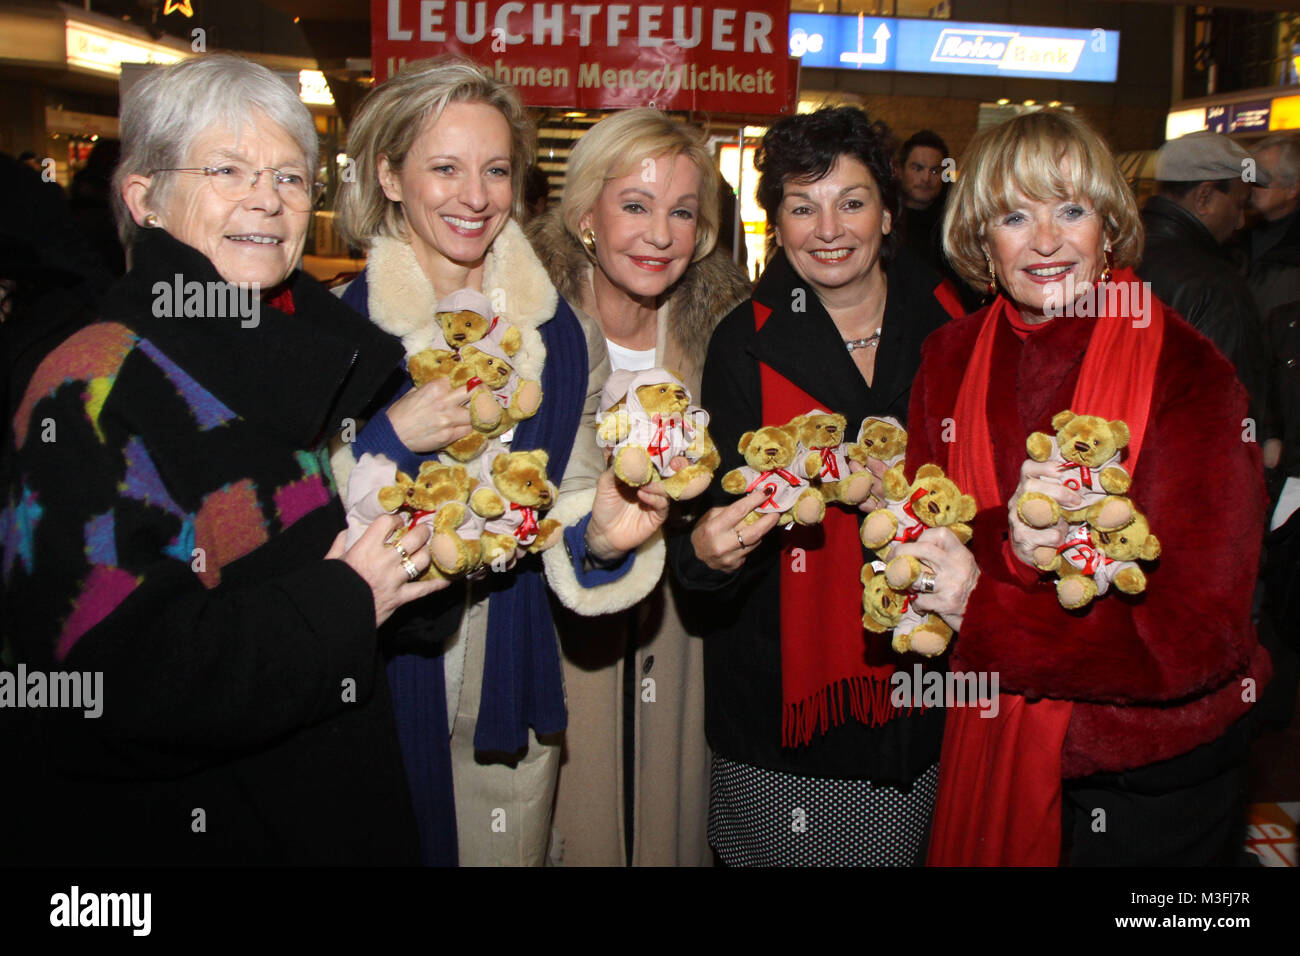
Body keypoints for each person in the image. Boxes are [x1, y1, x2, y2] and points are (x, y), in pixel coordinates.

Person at [0, 54, 441, 865]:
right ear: (145, 198)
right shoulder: (93, 385)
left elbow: (346, 580)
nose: (267, 199)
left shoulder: (319, 352)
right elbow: (105, 686)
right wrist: (351, 599)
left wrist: (427, 559)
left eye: (289, 176)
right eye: (228, 170)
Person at [903, 109, 1272, 865]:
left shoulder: (1187, 369)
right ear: (980, 238)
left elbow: (1202, 633)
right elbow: (921, 546)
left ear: (1107, 226)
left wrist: (989, 605)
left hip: (1151, 780)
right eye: (1015, 215)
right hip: (986, 736)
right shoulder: (946, 357)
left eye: (1070, 210)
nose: (1045, 242)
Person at [333, 57, 669, 867]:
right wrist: (389, 437)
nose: (474, 196)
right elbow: (302, 510)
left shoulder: (556, 332)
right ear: (388, 172)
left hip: (508, 666)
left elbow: (575, 494)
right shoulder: (340, 328)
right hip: (378, 665)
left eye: (494, 170)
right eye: (443, 168)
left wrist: (606, 540)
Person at [671, 106, 962, 866]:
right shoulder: (744, 342)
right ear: (778, 223)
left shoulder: (951, 323)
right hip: (783, 709)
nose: (829, 228)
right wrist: (707, 555)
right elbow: (705, 546)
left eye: (852, 201)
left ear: (890, 213)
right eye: (803, 206)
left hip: (922, 690)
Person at [526, 108, 751, 865]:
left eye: (682, 212)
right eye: (635, 205)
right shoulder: (530, 335)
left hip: (679, 646)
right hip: (555, 645)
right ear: (586, 212)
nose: (660, 234)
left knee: (667, 832)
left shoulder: (725, 342)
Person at [1137, 129, 1278, 468]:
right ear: (1204, 198)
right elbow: (1228, 405)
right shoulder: (1215, 285)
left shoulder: (1109, 254)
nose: (1242, 221)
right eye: (1239, 205)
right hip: (1186, 473)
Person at [1243, 134, 1300, 318]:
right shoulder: (1230, 234)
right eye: (1247, 177)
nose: (1249, 187)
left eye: (1259, 179)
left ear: (1292, 189)